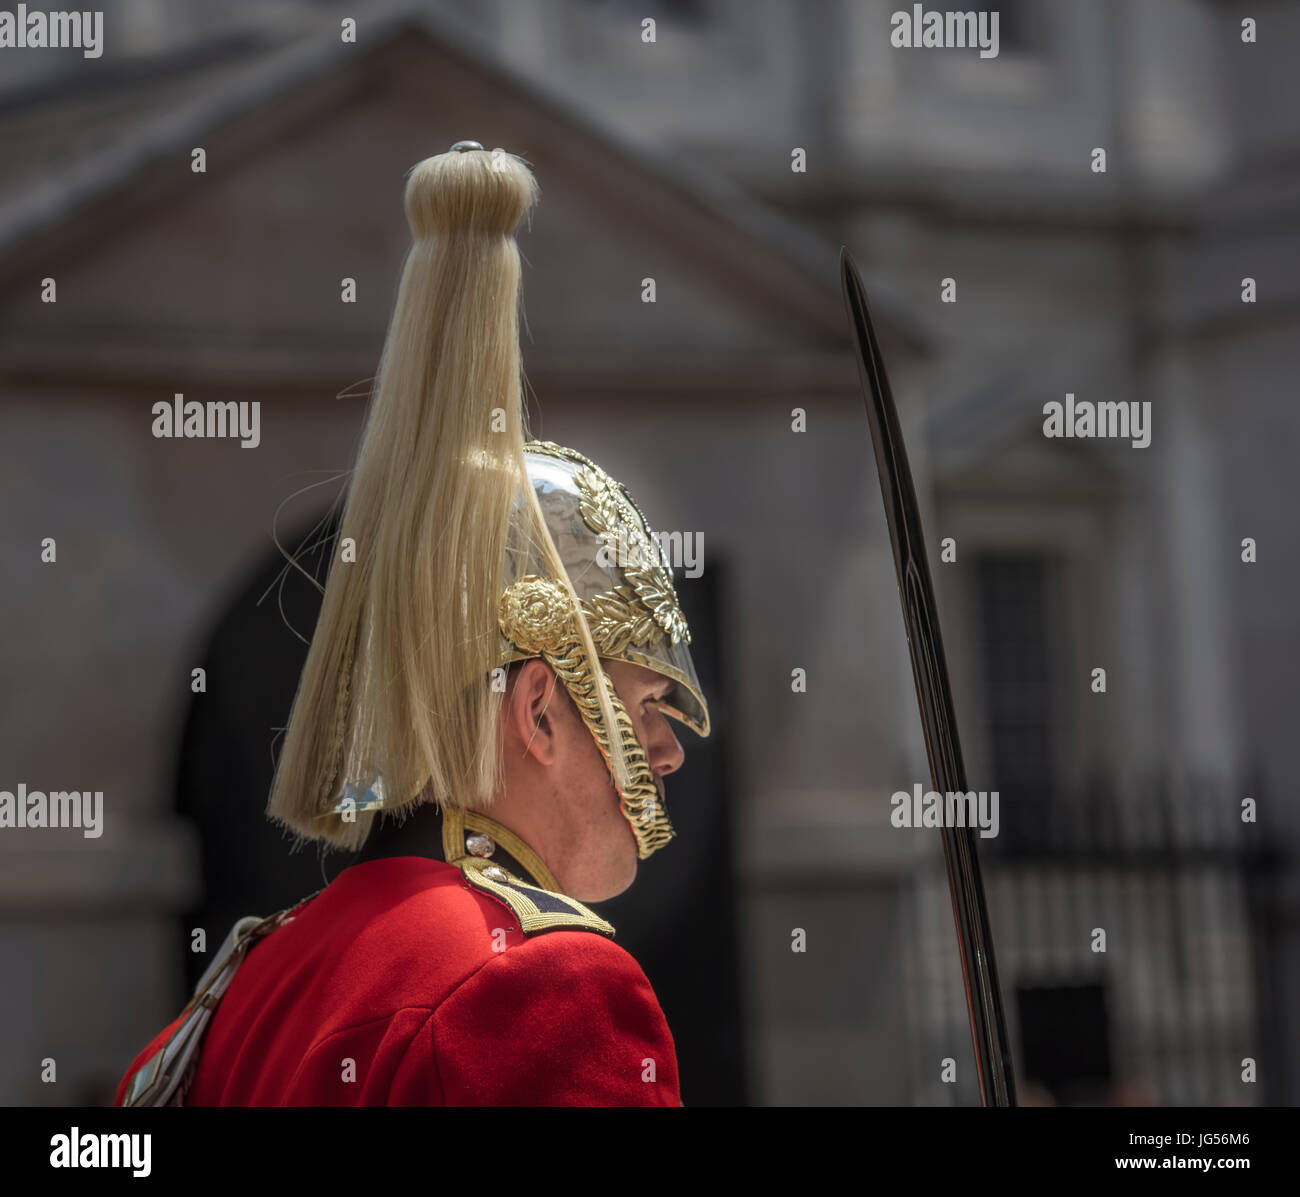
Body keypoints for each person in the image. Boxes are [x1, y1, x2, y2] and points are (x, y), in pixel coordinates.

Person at [113, 142, 710, 1107]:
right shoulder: (540, 986)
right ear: (543, 710)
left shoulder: (241, 991)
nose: (666, 751)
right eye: (645, 703)